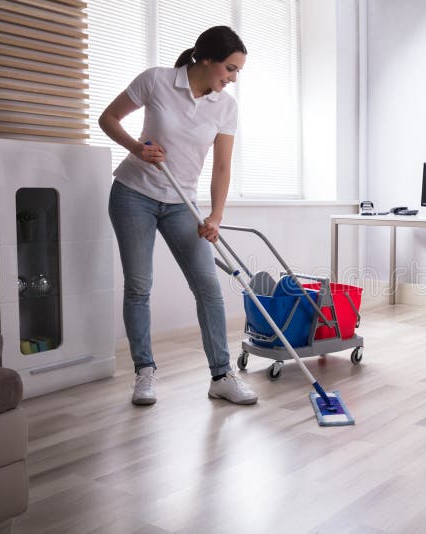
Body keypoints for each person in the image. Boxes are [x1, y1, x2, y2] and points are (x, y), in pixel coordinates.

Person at [99, 26, 257, 406]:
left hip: (182, 204)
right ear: (206, 58)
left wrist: (215, 217)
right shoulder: (157, 80)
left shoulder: (225, 106)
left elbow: (221, 169)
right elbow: (109, 119)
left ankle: (221, 375)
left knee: (208, 287)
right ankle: (145, 373)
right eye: (230, 69)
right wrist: (136, 148)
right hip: (133, 195)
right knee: (139, 286)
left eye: (238, 72)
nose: (233, 78)